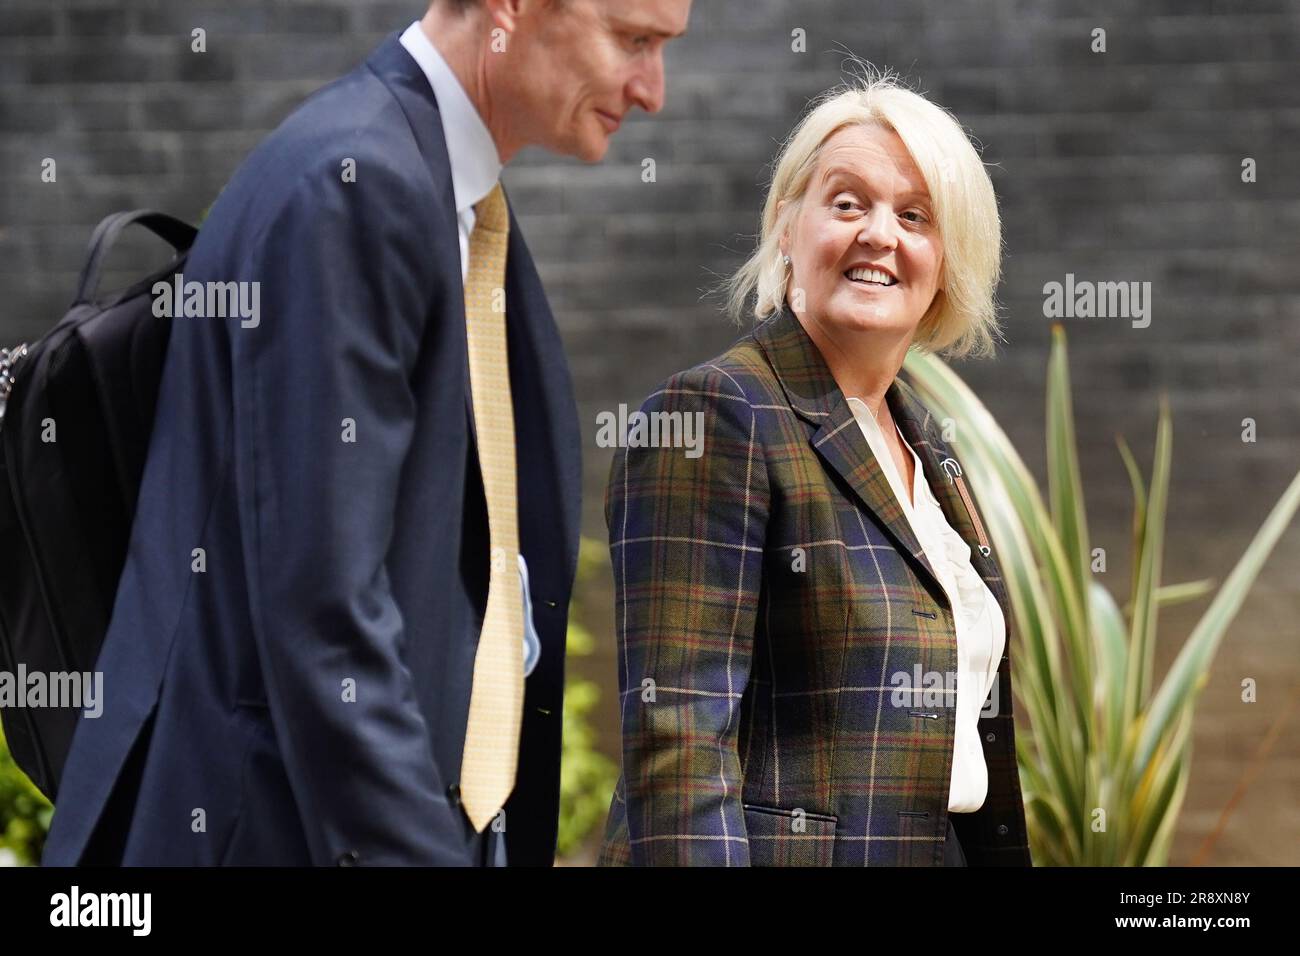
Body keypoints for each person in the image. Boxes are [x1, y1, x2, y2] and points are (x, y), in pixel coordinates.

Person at [42, 0, 692, 867]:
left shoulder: (432, 187)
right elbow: (323, 606)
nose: (652, 90)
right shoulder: (355, 185)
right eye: (634, 39)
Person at [598, 73, 1032, 866]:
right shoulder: (716, 413)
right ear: (787, 225)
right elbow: (678, 742)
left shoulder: (924, 442)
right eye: (846, 203)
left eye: (915, 216)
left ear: (948, 259)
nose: (880, 235)